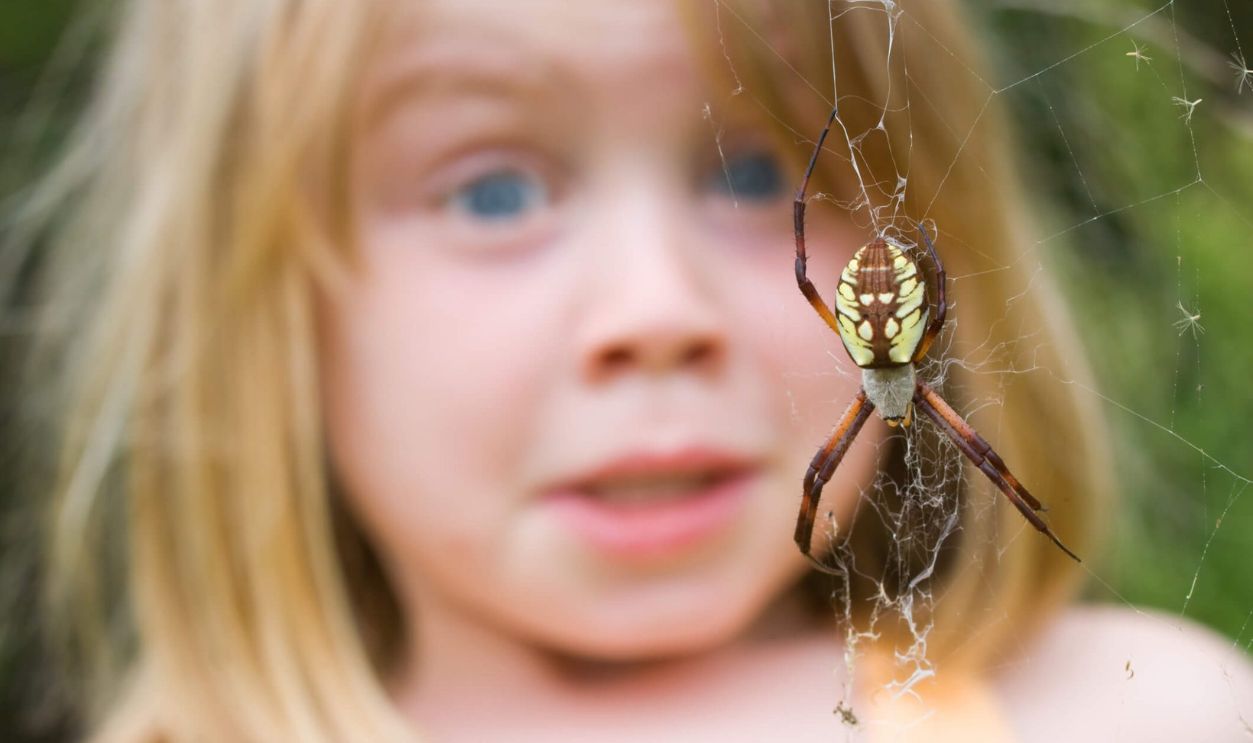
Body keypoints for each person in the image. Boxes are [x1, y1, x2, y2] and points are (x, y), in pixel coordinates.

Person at [4, 0, 1250, 741]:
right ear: (260, 319)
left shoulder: (1118, 707)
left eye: (758, 174)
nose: (657, 313)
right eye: (493, 191)